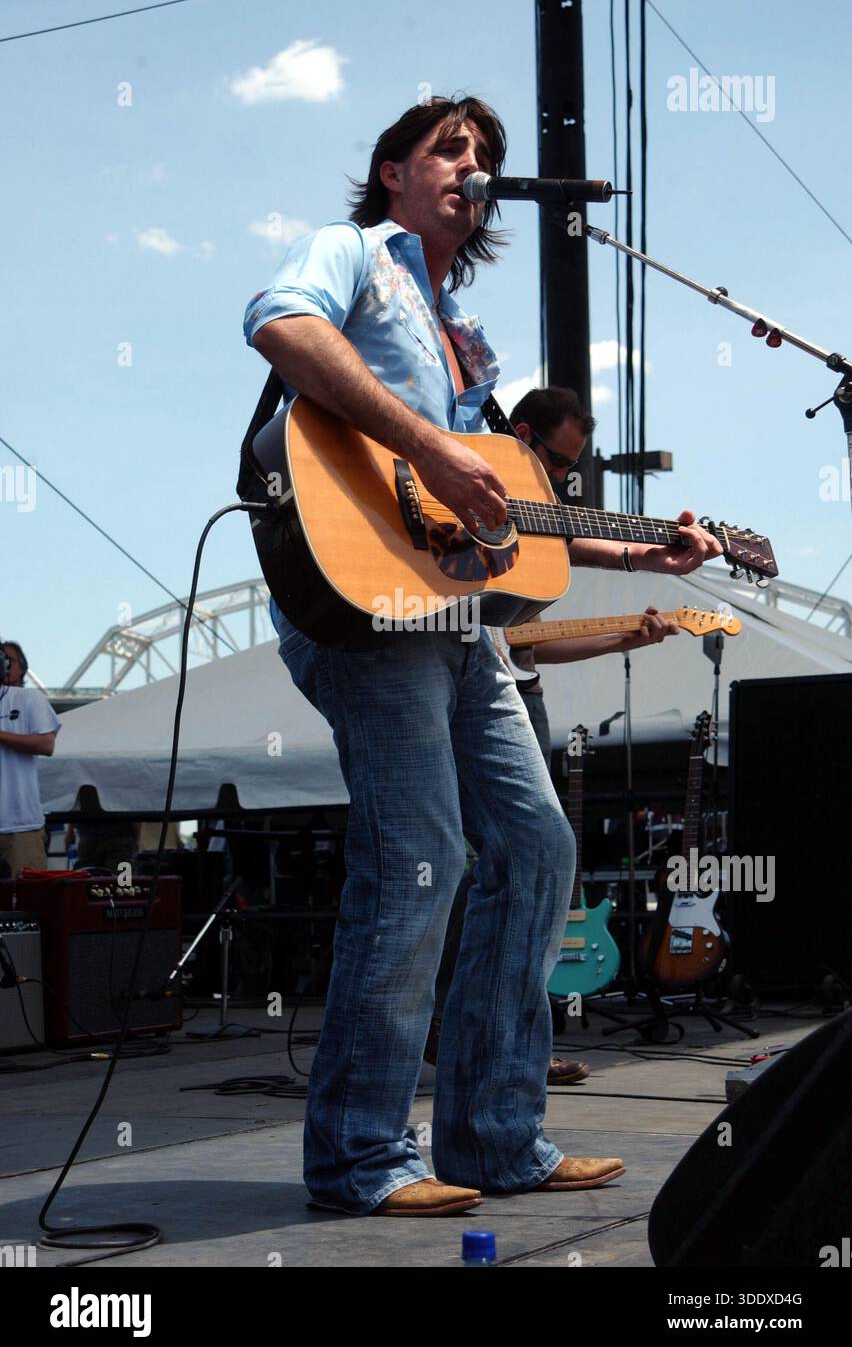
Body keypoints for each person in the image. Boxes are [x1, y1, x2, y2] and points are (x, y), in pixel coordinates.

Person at [242, 95, 722, 1218]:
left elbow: (498, 518)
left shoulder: (462, 337)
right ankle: (361, 1154)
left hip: (457, 627)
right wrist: (432, 451)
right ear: (395, 171)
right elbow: (280, 325)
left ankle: (497, 1136)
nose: (473, 166)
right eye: (450, 149)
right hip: (365, 621)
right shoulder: (356, 253)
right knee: (421, 861)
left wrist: (646, 550)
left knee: (538, 849)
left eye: (487, 155)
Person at [428, 387, 681, 1086]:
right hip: (458, 680)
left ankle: (509, 1045)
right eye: (560, 460)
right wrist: (644, 554)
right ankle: (459, 1032)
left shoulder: (538, 527)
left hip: (514, 692)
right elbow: (563, 541)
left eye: (575, 466)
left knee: (533, 860)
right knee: (473, 863)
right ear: (522, 435)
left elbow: (530, 641)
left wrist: (625, 628)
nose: (567, 475)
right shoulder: (477, 494)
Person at [0, 641, 61, 878]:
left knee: (30, 905)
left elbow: (46, 744)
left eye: (8, 659)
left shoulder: (29, 699)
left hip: (21, 827)